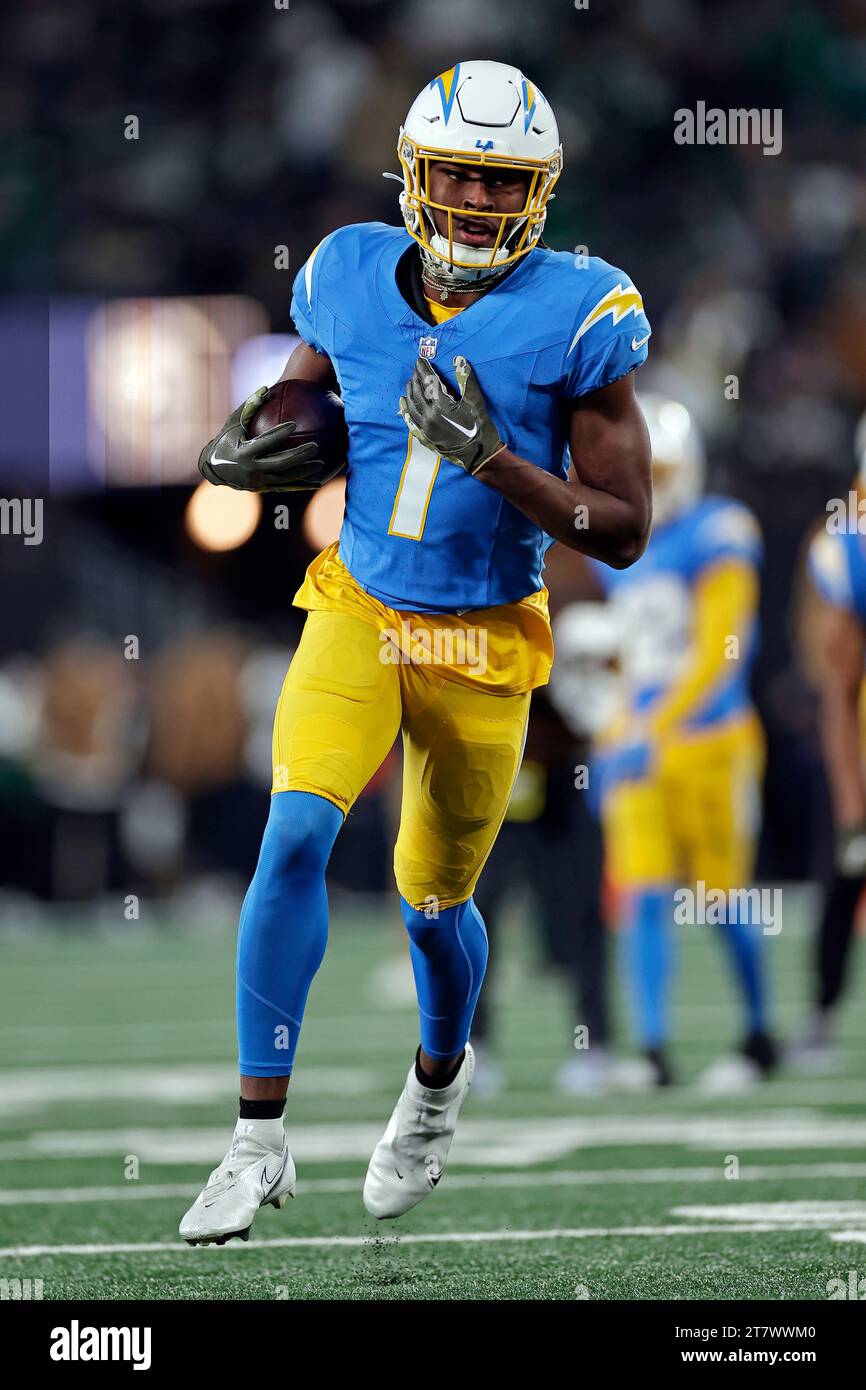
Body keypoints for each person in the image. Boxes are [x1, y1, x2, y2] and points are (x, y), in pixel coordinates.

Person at [180, 59, 651, 1245]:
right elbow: (301, 404)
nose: (476, 200)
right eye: (455, 175)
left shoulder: (580, 309)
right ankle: (255, 1141)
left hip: (481, 635)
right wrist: (256, 441)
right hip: (358, 605)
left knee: (434, 907)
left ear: (536, 193)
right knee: (294, 831)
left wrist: (497, 460)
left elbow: (624, 527)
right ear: (411, 173)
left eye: (500, 182)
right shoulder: (344, 271)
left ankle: (436, 1087)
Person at [591, 395, 775, 1090]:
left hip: (709, 742)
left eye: (662, 471)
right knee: (640, 895)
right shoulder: (619, 541)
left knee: (722, 899)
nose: (652, 485)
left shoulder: (719, 530)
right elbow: (624, 654)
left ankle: (759, 1036)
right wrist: (613, 726)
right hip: (638, 747)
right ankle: (653, 1051)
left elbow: (722, 652)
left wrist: (655, 726)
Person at [789, 414, 866, 1067]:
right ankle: (820, 1013)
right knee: (845, 874)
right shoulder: (847, 548)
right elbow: (837, 690)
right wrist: (851, 801)